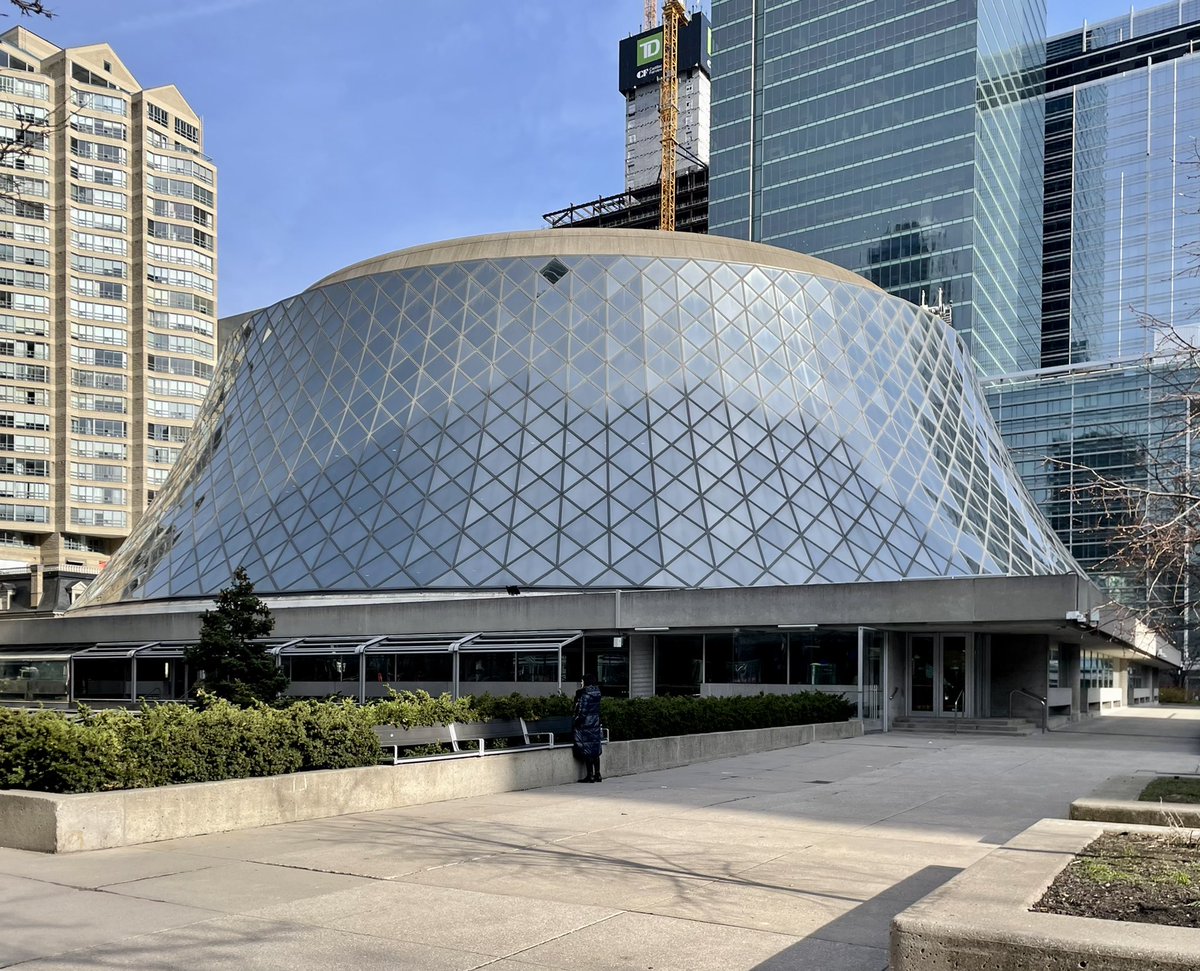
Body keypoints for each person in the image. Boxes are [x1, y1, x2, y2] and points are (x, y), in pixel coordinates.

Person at [573, 672, 604, 783]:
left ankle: (590, 775)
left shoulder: (584, 694)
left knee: (587, 750)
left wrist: (576, 721)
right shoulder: (597, 693)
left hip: (585, 725)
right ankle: (598, 774)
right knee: (595, 748)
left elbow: (582, 712)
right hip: (595, 723)